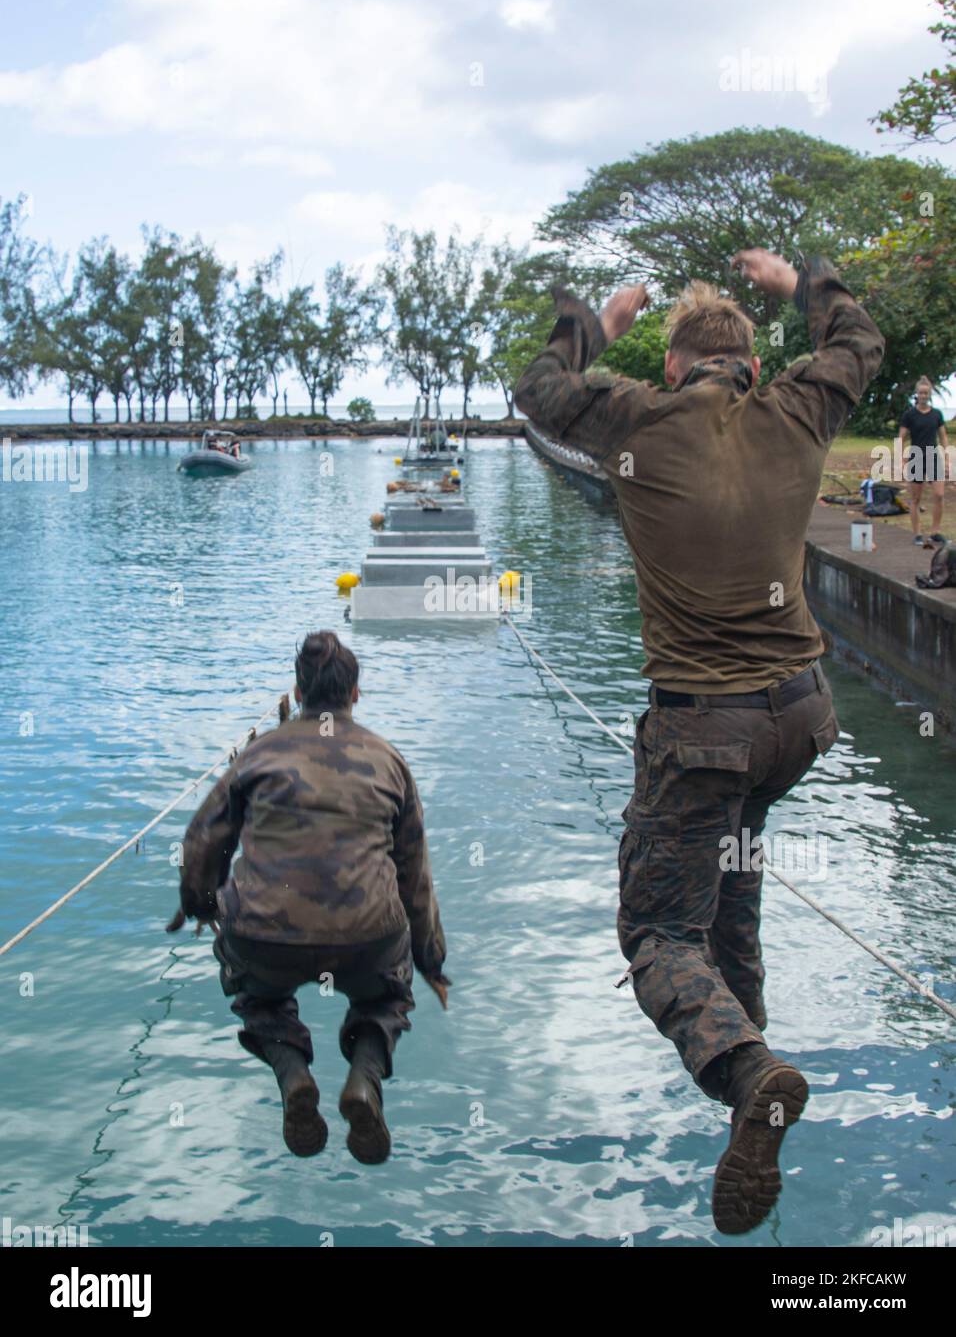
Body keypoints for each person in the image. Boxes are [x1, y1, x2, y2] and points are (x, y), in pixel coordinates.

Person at [514, 250, 884, 1234]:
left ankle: (748, 1070)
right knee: (731, 889)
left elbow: (539, 390)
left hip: (702, 728)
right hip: (798, 721)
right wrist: (798, 280)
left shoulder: (638, 415)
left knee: (657, 934)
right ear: (752, 369)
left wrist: (597, 315)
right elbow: (856, 339)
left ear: (672, 367)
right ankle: (748, 1098)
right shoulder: (798, 407)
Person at [169, 631, 449, 1162]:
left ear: (298, 692)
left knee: (259, 997)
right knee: (386, 997)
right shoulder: (389, 760)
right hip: (367, 936)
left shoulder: (258, 755)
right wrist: (430, 960)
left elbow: (201, 840)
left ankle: (294, 1076)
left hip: (264, 934)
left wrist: (201, 906)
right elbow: (415, 876)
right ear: (356, 694)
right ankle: (364, 1081)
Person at [898, 377, 949, 544]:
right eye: (920, 392)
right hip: (916, 457)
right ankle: (917, 534)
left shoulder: (937, 414)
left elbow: (943, 437)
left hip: (933, 456)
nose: (923, 395)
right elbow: (902, 438)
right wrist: (903, 460)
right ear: (916, 394)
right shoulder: (909, 415)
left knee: (939, 495)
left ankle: (935, 532)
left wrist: (947, 458)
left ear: (930, 394)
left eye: (926, 393)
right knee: (916, 499)